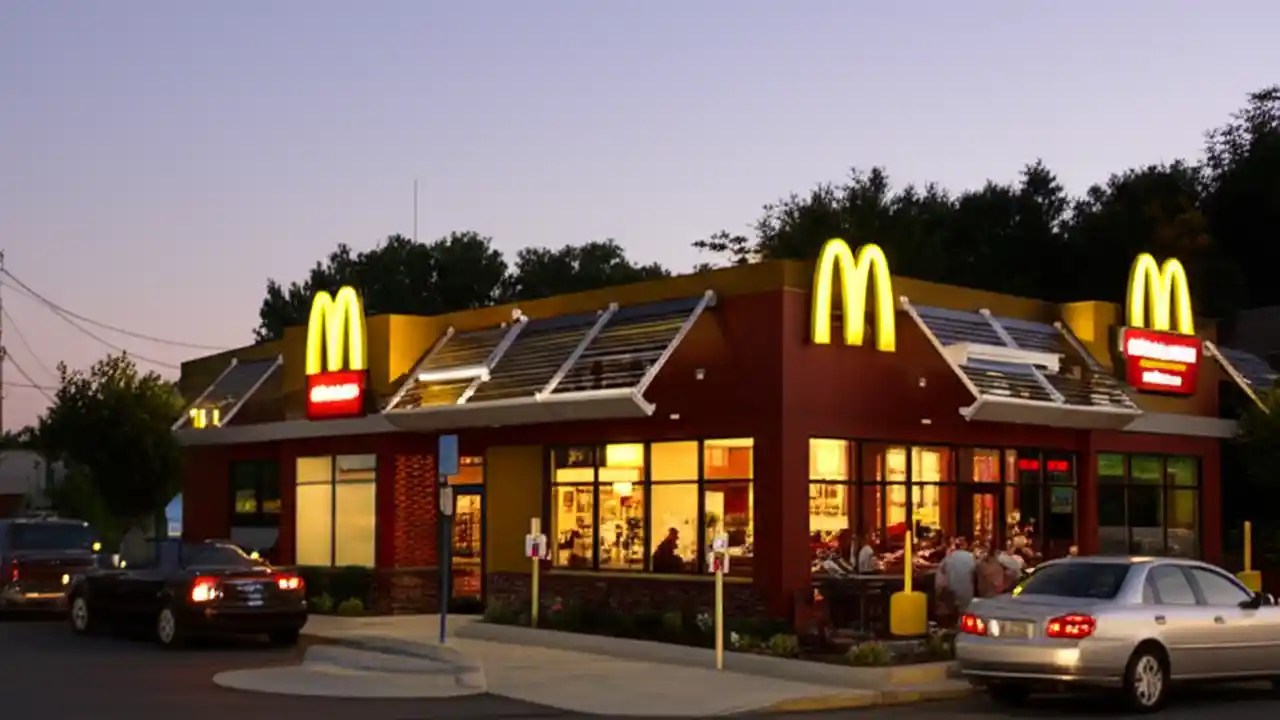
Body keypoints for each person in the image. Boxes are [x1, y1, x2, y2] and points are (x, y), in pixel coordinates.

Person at [936, 537, 977, 620]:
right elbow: (975, 572)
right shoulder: (971, 557)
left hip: (951, 592)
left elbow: (940, 574)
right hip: (967, 592)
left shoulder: (948, 557)